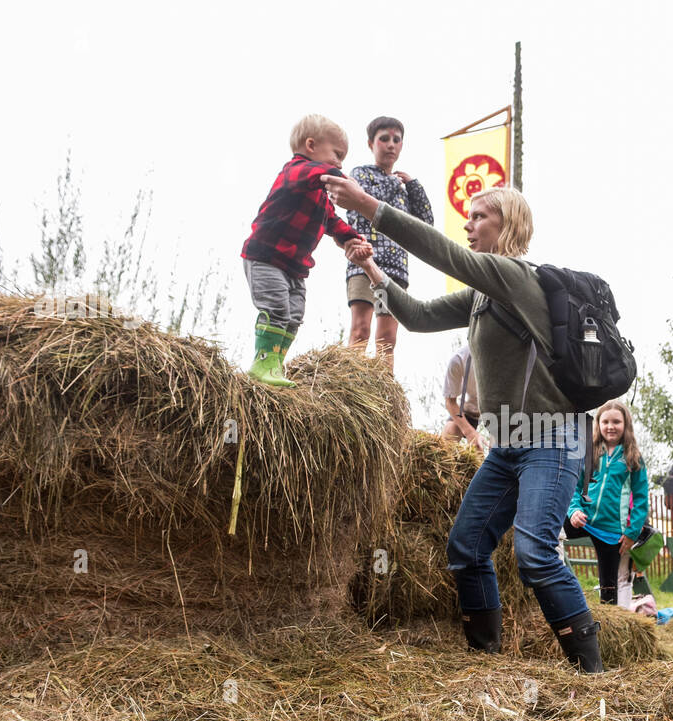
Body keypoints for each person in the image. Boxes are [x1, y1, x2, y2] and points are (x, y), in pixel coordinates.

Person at [322, 175, 603, 672]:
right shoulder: (481, 295)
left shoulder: (517, 278)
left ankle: (591, 672)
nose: (468, 225)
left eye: (479, 217)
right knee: (466, 547)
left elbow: (445, 256)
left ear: (507, 224)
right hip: (509, 444)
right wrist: (371, 269)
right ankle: (485, 660)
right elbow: (416, 316)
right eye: (468, 217)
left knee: (535, 553)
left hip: (552, 439)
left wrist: (371, 207)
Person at [241, 114, 371, 388]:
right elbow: (317, 174)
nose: (340, 162)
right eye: (337, 154)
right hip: (267, 258)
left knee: (294, 315)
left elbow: (332, 221)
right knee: (276, 309)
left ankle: (274, 366)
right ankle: (261, 363)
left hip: (295, 268)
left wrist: (354, 238)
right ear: (310, 145)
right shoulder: (295, 171)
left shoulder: (319, 196)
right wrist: (349, 185)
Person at [344, 116, 434, 373]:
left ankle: (384, 397)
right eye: (384, 139)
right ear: (371, 143)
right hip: (363, 260)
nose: (391, 145)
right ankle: (351, 386)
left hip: (395, 269)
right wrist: (395, 183)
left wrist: (414, 187)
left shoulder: (404, 190)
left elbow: (425, 225)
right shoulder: (360, 175)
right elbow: (367, 203)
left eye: (396, 140)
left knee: (387, 339)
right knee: (360, 329)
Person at [567, 400, 650, 610]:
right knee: (548, 532)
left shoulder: (633, 458)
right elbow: (574, 486)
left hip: (611, 531)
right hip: (583, 520)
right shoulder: (589, 452)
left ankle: (607, 630)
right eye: (605, 421)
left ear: (626, 424)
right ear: (598, 423)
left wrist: (632, 532)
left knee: (609, 589)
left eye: (616, 422)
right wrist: (574, 509)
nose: (610, 426)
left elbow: (641, 499)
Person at [441, 343, 483, 446]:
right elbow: (450, 402)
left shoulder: (505, 357)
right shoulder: (459, 359)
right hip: (470, 409)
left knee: (499, 448)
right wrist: (470, 433)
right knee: (451, 431)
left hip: (500, 409)